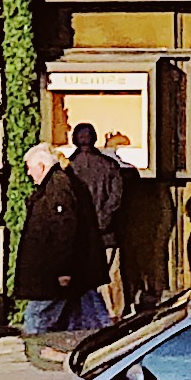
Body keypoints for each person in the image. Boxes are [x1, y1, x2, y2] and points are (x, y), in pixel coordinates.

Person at [12, 143, 110, 335]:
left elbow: (64, 231)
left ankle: (30, 358)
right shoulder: (63, 183)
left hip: (54, 275)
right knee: (86, 319)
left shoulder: (58, 187)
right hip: (68, 273)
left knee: (38, 318)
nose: (29, 174)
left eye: (30, 168)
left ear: (41, 166)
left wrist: (63, 270)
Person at [66, 122, 127, 318]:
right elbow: (116, 199)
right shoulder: (109, 166)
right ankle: (114, 315)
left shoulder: (69, 169)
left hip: (80, 235)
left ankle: (86, 315)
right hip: (106, 233)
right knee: (111, 275)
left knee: (83, 277)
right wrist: (103, 220)